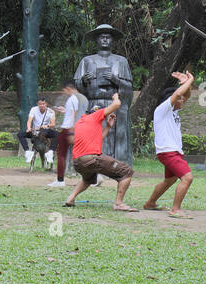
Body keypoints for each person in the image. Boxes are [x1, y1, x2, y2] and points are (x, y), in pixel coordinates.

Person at [63, 92, 136, 211]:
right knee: (126, 172)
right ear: (95, 111)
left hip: (78, 162)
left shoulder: (81, 122)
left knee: (87, 179)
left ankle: (70, 199)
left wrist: (107, 126)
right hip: (91, 159)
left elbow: (98, 138)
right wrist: (115, 97)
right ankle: (118, 203)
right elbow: (116, 104)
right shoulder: (96, 115)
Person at [74, 24, 134, 165]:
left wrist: (116, 80)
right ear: (97, 40)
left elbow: (129, 89)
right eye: (102, 37)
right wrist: (83, 81)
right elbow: (78, 87)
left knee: (114, 135)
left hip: (114, 105)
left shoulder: (121, 61)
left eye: (108, 37)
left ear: (112, 40)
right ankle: (92, 164)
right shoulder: (86, 61)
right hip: (93, 105)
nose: (105, 40)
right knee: (93, 135)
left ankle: (116, 164)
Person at [143, 71, 196, 216]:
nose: (183, 100)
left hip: (171, 151)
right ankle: (175, 209)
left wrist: (187, 84)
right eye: (180, 99)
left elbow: (186, 95)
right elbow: (178, 95)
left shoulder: (173, 113)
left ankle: (150, 203)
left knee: (170, 180)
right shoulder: (162, 110)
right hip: (168, 152)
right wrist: (190, 80)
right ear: (171, 100)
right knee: (187, 178)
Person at [49, 80, 82, 188]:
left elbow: (76, 114)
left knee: (61, 154)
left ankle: (60, 180)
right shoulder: (77, 98)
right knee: (82, 153)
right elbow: (72, 112)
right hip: (71, 128)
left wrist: (72, 131)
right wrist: (65, 110)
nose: (65, 93)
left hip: (68, 129)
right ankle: (95, 176)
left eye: (65, 91)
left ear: (68, 88)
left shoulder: (73, 98)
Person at [20, 97, 57, 168]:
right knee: (20, 134)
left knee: (57, 134)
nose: (42, 105)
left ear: (46, 104)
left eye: (43, 104)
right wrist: (28, 128)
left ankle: (51, 151)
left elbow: (53, 124)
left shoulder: (51, 111)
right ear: (37, 104)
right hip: (35, 131)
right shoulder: (33, 109)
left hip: (45, 130)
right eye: (40, 104)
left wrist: (47, 125)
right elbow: (29, 120)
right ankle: (27, 152)